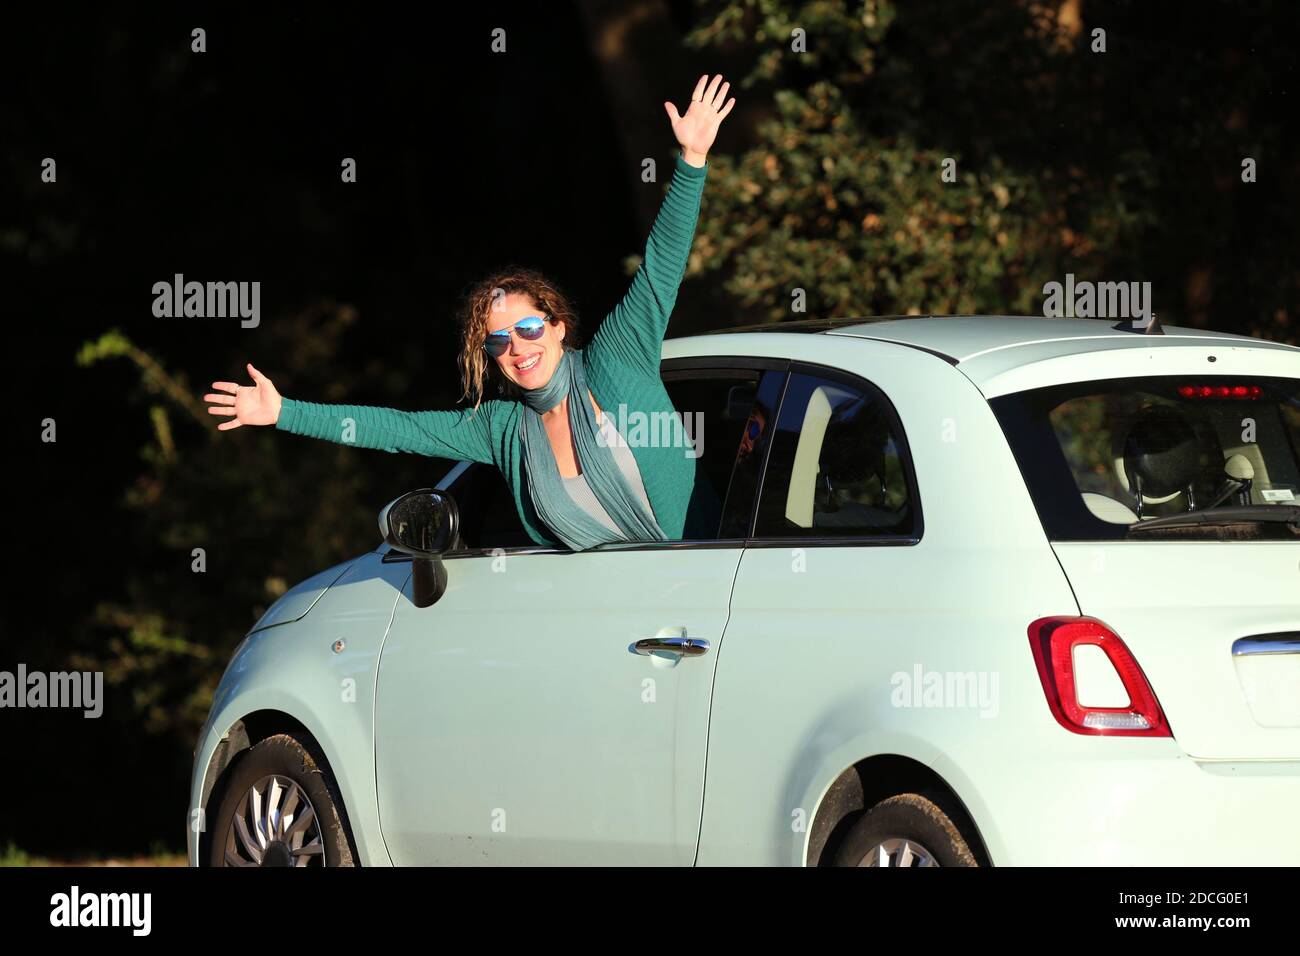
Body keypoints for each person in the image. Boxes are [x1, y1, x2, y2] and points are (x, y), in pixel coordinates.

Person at [204, 74, 736, 551]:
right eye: (499, 340)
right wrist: (283, 412)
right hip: (621, 626)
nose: (518, 348)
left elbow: (661, 268)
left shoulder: (615, 360)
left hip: (712, 594)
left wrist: (691, 161)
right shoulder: (502, 429)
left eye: (527, 329)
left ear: (558, 326)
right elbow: (394, 429)